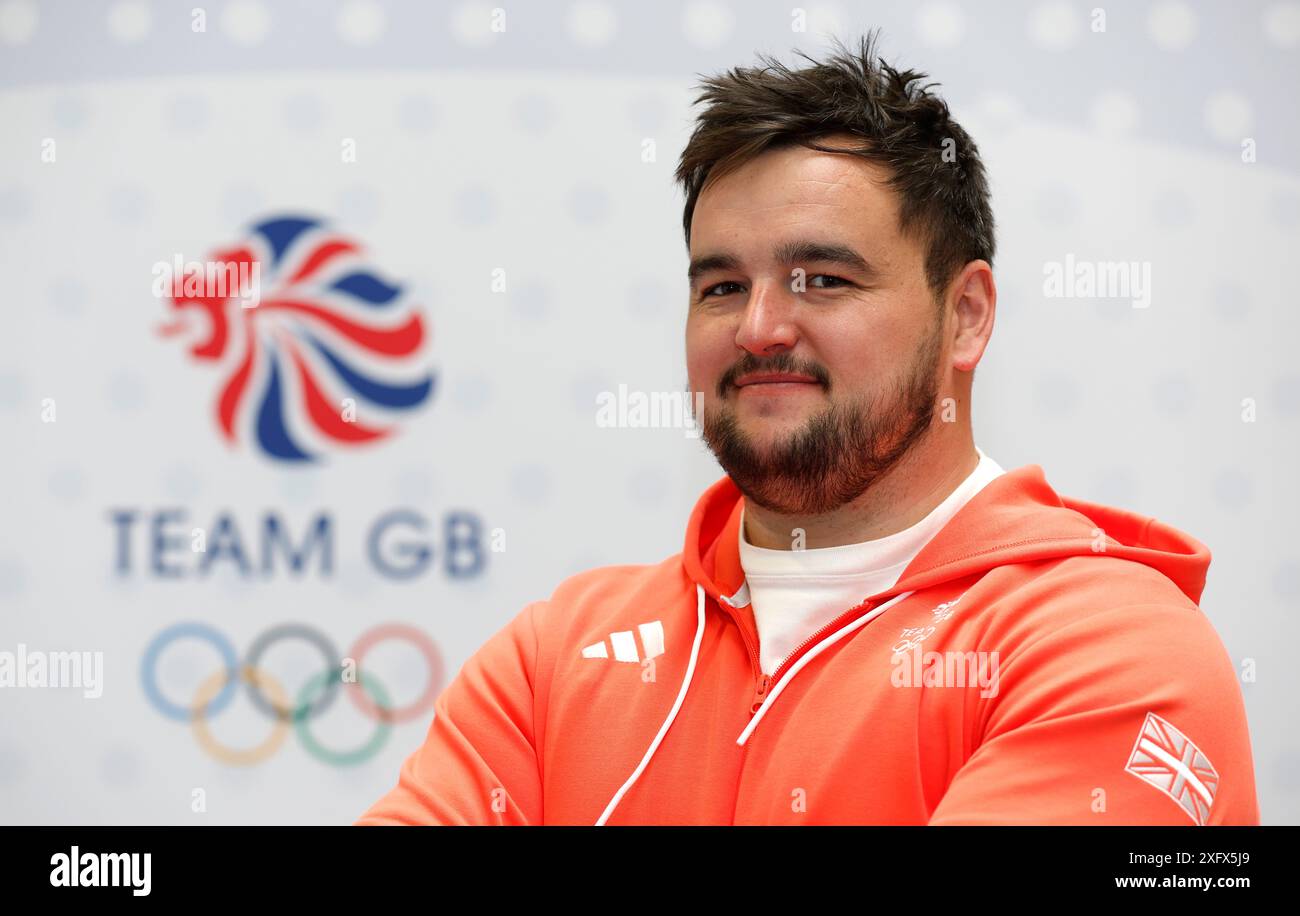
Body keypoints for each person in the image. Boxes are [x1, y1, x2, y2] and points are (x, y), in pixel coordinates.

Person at [356, 33, 1258, 826]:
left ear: (968, 315)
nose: (758, 329)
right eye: (720, 287)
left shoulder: (1106, 650)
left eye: (822, 279)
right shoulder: (556, 659)